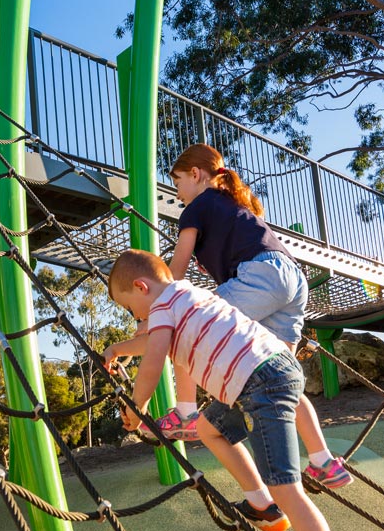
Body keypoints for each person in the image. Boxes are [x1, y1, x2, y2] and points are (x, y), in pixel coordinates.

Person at [102, 249, 372, 531]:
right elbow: (149, 343)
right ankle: (262, 505)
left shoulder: (161, 308)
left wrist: (137, 405)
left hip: (260, 383)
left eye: (132, 309)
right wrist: (117, 349)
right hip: (269, 372)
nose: (137, 319)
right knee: (210, 430)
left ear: (142, 287)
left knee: (289, 488)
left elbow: (155, 356)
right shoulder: (186, 295)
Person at [141, 143, 351, 491]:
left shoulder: (198, 205)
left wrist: (158, 310)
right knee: (282, 375)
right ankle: (322, 461)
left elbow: (175, 268)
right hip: (291, 280)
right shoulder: (231, 203)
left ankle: (185, 410)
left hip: (261, 276)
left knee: (183, 321)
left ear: (196, 175)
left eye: (177, 183)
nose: (178, 194)